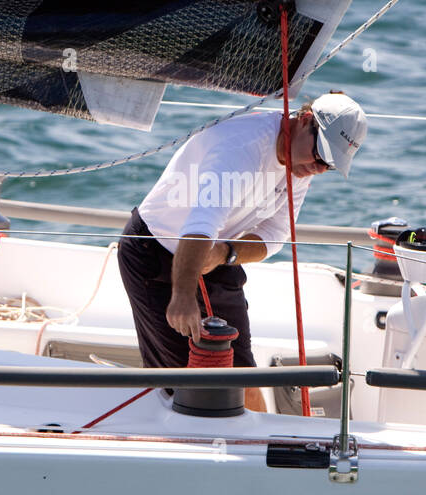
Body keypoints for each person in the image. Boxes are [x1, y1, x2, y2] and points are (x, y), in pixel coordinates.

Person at [117, 92, 367, 404]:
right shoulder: (240, 149)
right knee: (184, 386)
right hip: (155, 254)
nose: (317, 168)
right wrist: (182, 296)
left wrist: (224, 254)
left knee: (242, 378)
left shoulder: (299, 161)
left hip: (218, 256)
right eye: (319, 155)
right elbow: (200, 224)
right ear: (304, 121)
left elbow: (276, 233)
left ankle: (254, 447)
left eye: (328, 165)